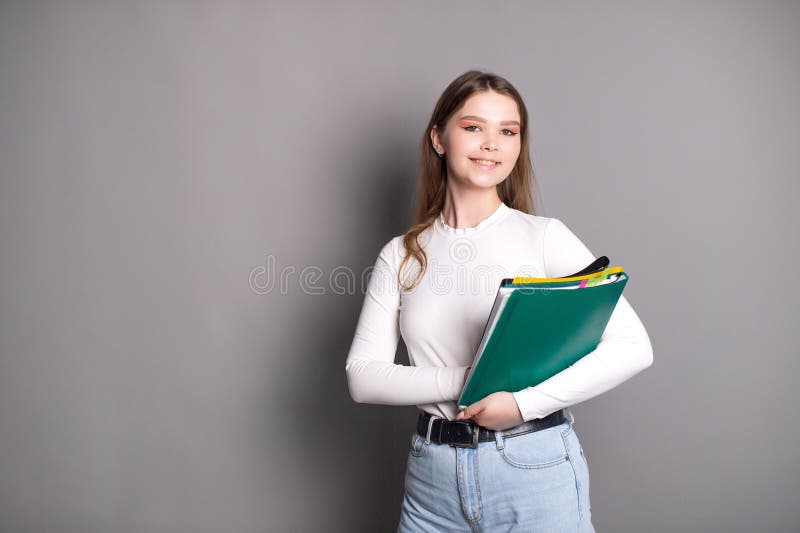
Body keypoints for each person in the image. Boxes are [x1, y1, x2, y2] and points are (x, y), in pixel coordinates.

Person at [345, 70, 653, 532]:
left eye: (508, 132)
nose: (492, 143)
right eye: (473, 127)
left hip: (533, 471)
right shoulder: (401, 254)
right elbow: (363, 378)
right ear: (438, 138)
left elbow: (634, 346)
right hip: (431, 480)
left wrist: (524, 404)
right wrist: (469, 380)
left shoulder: (544, 237)